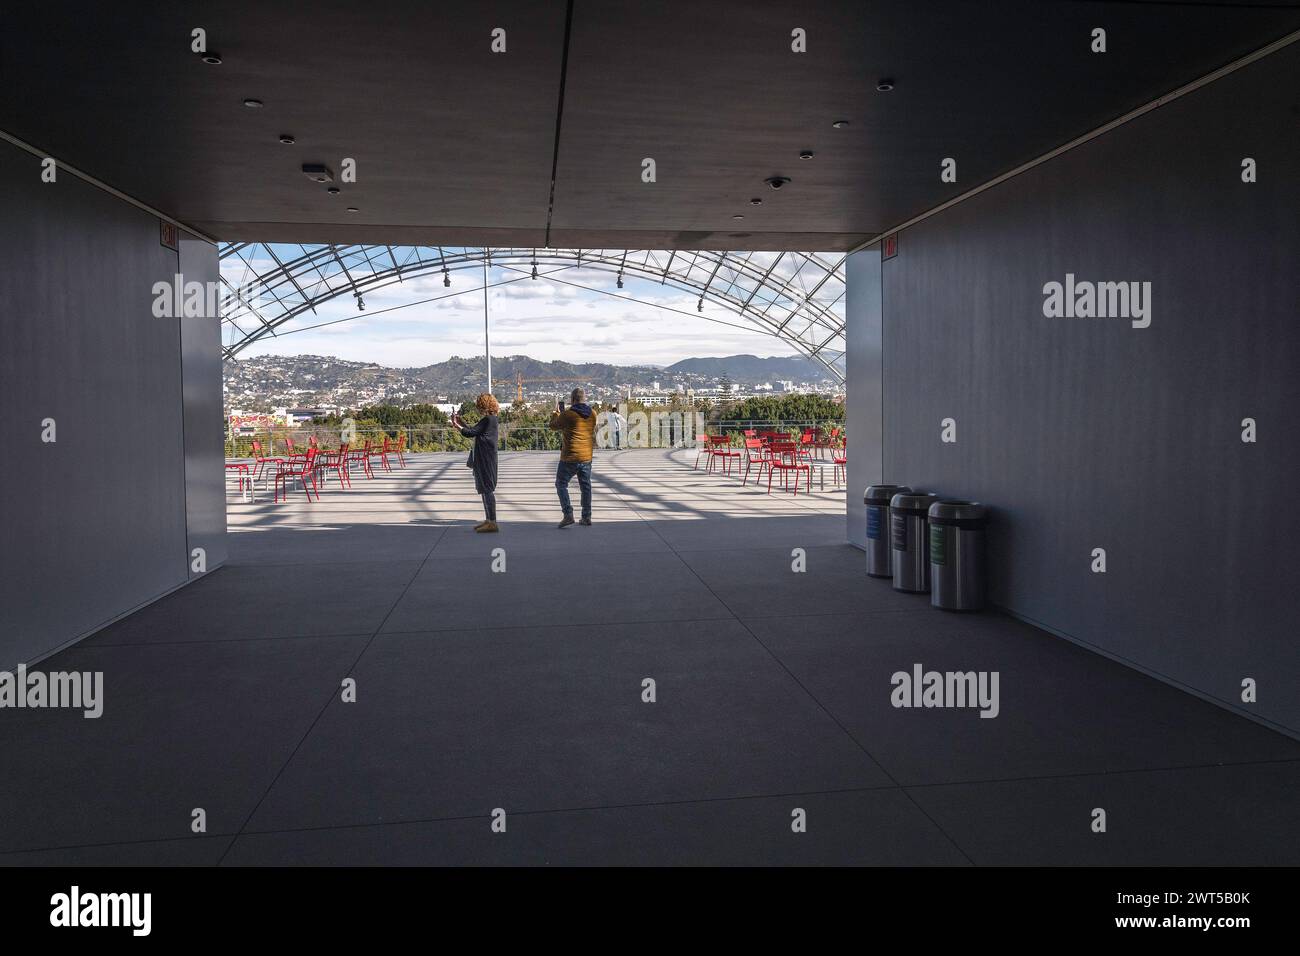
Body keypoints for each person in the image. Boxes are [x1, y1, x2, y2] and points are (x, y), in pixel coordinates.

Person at [452, 393, 500, 532]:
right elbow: (474, 431)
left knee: (488, 489)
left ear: (483, 405)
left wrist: (456, 425)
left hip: (486, 459)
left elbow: (470, 433)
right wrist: (460, 423)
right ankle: (489, 520)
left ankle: (493, 522)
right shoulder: (491, 420)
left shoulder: (488, 420)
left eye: (479, 405)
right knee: (485, 490)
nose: (477, 408)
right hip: (485, 458)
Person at [549, 387, 596, 528]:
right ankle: (586, 517)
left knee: (561, 484)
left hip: (569, 457)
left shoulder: (568, 414)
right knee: (585, 487)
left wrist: (556, 414)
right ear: (584, 399)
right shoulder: (593, 413)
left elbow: (552, 426)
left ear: (573, 399)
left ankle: (568, 514)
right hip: (586, 456)